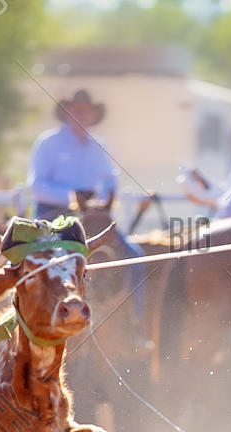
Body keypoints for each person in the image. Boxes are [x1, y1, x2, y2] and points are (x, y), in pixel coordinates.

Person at [26, 88, 146, 318]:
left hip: (93, 217)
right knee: (44, 259)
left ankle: (133, 320)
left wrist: (103, 199)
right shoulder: (49, 143)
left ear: (93, 115)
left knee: (134, 255)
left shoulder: (98, 145)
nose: (82, 115)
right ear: (68, 113)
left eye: (87, 111)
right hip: (53, 216)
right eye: (77, 110)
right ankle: (36, 316)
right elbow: (36, 186)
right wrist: (74, 197)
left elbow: (111, 180)